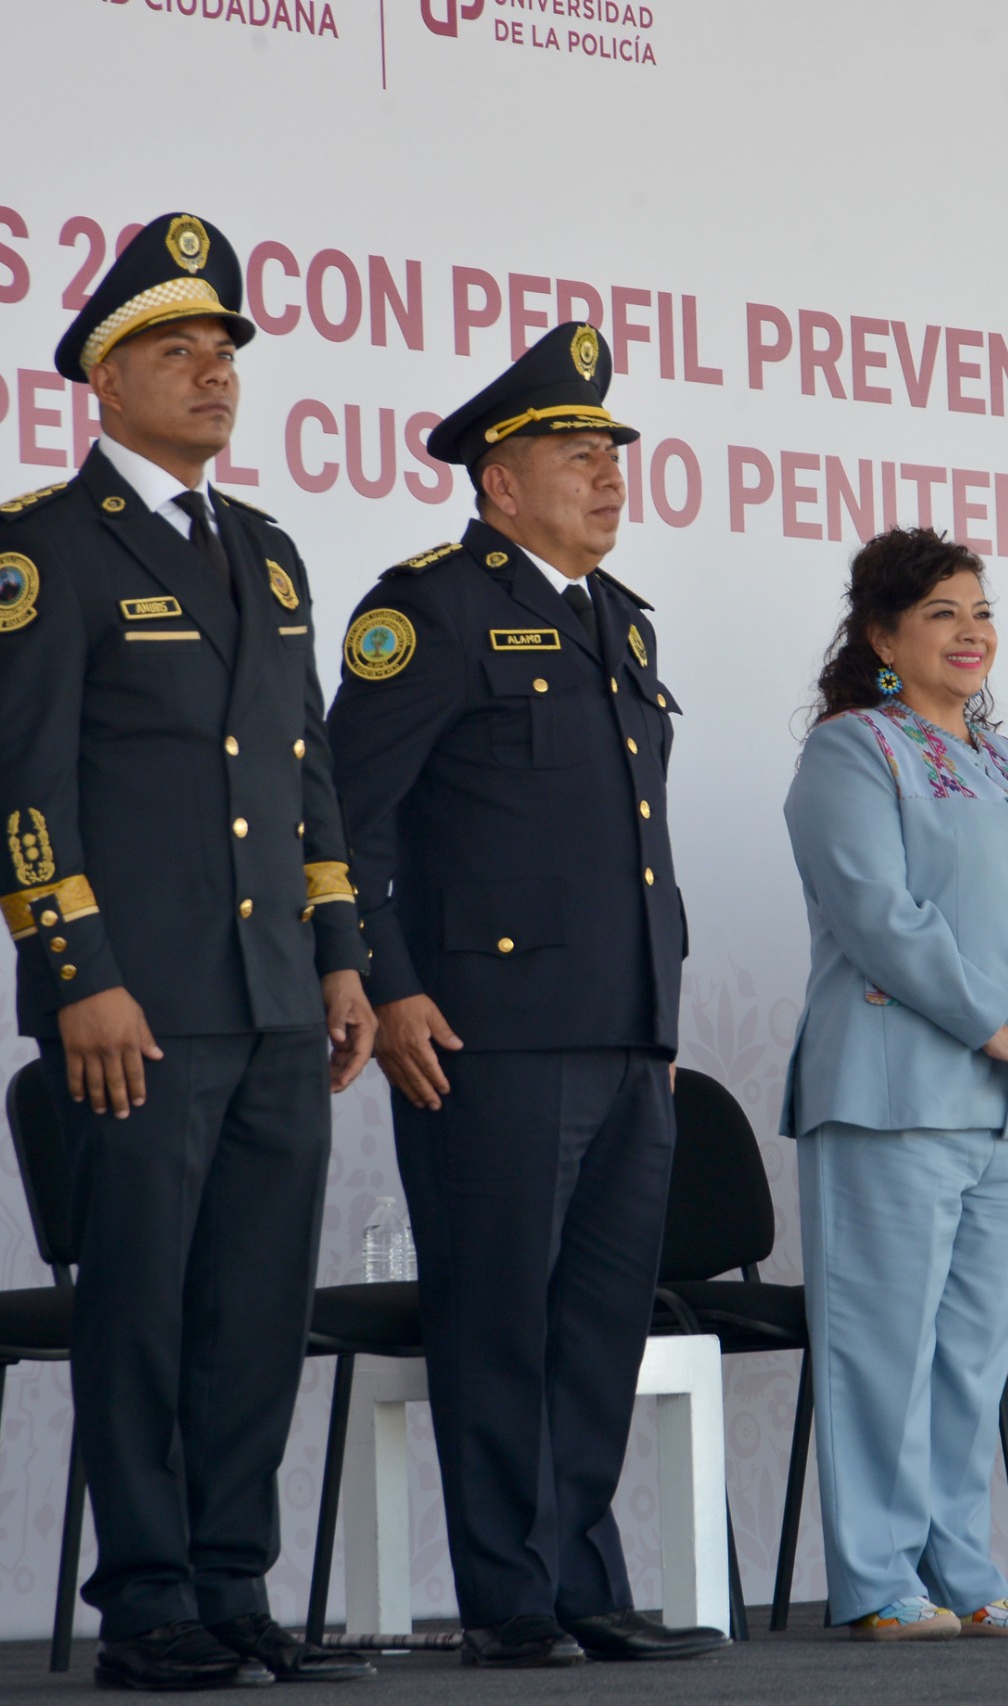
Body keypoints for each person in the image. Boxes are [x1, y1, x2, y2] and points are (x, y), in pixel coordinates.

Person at [0, 214, 377, 1692]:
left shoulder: (267, 552)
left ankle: (232, 1585)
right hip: (138, 1003)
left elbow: (305, 773)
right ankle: (146, 1600)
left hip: (274, 997)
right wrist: (78, 973)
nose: (213, 375)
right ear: (103, 378)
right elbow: (20, 790)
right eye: (177, 351)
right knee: (141, 1308)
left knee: (259, 1307)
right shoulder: (41, 551)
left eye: (223, 354)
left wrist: (341, 954)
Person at [324, 323, 723, 1667]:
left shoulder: (621, 618)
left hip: (624, 1030)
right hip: (483, 1034)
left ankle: (579, 1578)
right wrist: (389, 987)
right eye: (575, 453)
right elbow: (349, 823)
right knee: (498, 1318)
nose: (608, 474)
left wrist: (653, 1009)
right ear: (499, 482)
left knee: (598, 1324)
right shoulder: (429, 609)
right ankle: (510, 1595)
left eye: (613, 452)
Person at [779, 528, 1008, 1642]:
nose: (971, 632)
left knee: (970, 1355)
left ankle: (969, 1573)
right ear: (882, 638)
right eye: (940, 614)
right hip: (894, 1094)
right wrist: (999, 1030)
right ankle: (879, 1582)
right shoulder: (851, 750)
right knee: (881, 1351)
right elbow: (882, 917)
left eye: (981, 611)